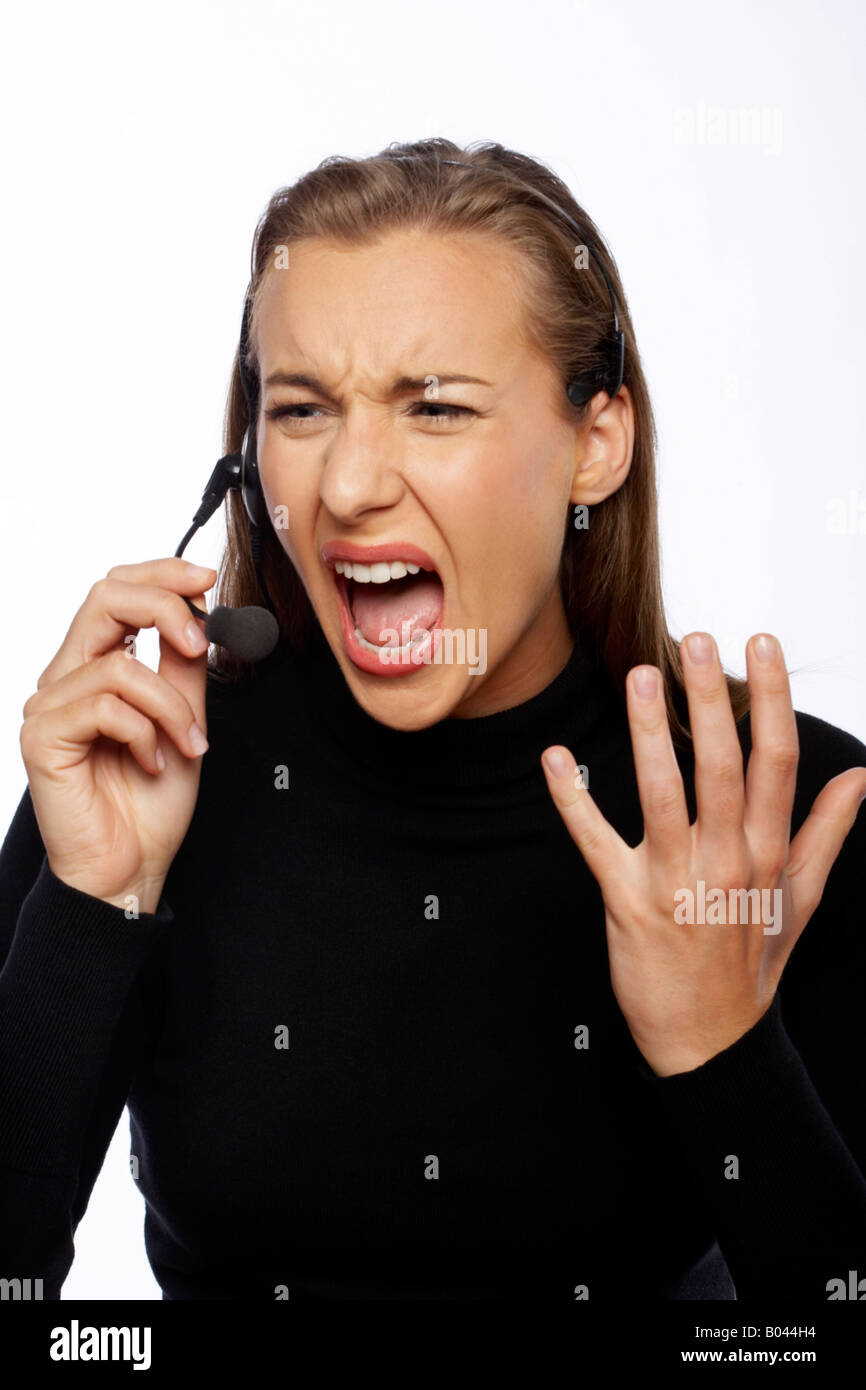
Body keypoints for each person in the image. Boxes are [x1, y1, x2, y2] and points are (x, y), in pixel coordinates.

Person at [2, 137, 865, 1301]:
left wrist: (719, 1046)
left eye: (436, 407)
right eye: (301, 408)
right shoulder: (149, 773)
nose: (350, 485)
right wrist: (90, 910)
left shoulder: (771, 806)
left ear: (593, 445)